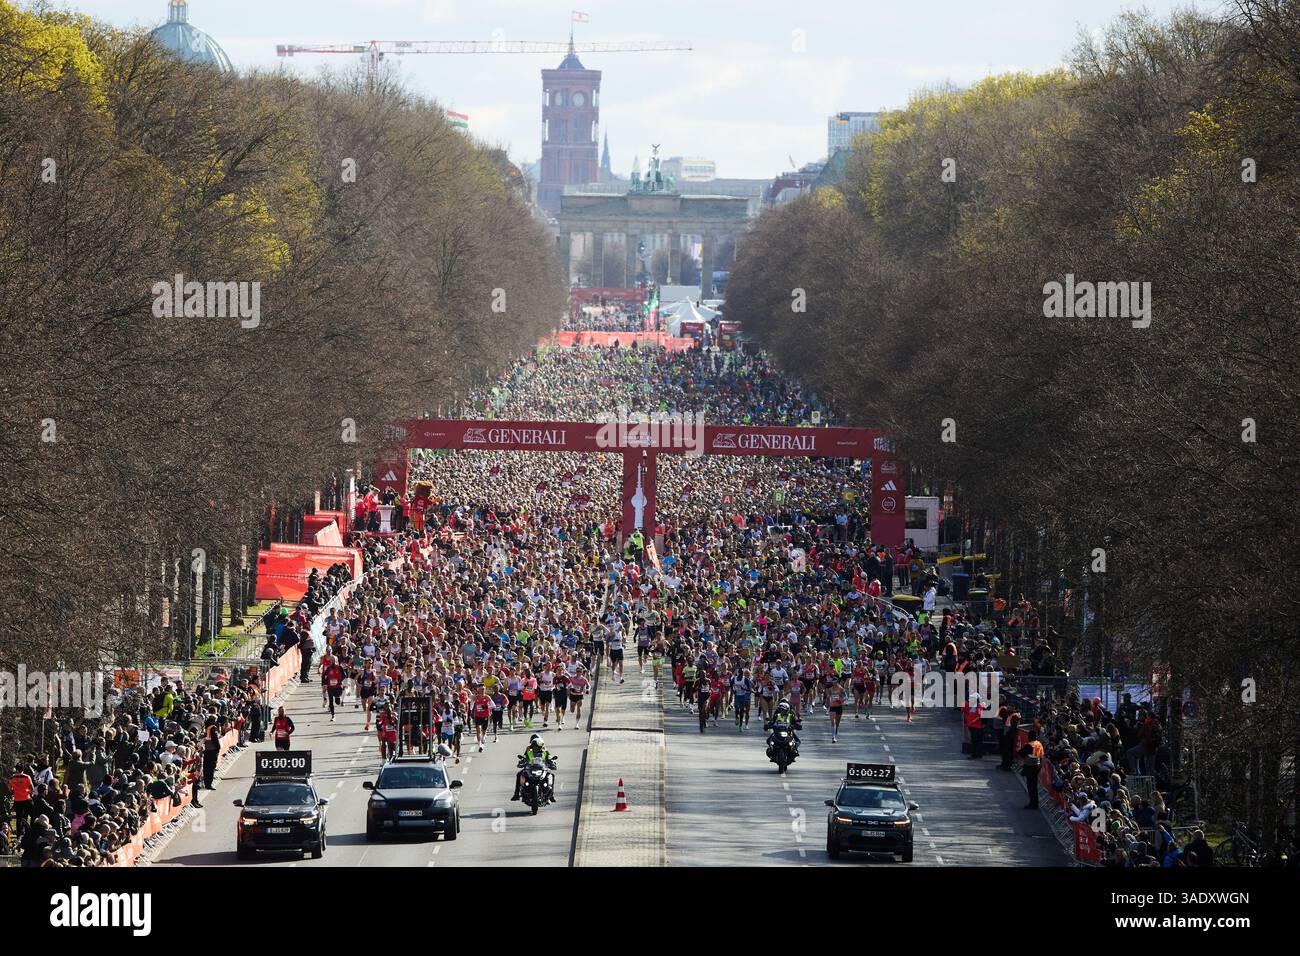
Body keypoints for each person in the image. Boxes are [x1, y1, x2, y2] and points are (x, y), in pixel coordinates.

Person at [512, 735, 556, 803]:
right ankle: (516, 794)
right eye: (534, 746)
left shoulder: (544, 751)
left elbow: (549, 758)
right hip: (530, 768)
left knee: (551, 775)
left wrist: (552, 762)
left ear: (540, 746)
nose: (535, 747)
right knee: (519, 774)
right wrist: (521, 762)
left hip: (542, 768)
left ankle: (551, 795)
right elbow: (524, 757)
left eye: (537, 746)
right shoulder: (529, 751)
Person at [1018, 731, 1043, 809]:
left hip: (1030, 766)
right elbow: (1042, 755)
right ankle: (1035, 803)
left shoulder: (1029, 745)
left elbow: (1021, 753)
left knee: (1030, 786)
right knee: (1034, 786)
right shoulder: (1039, 744)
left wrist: (1020, 749)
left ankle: (1033, 804)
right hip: (1036, 766)